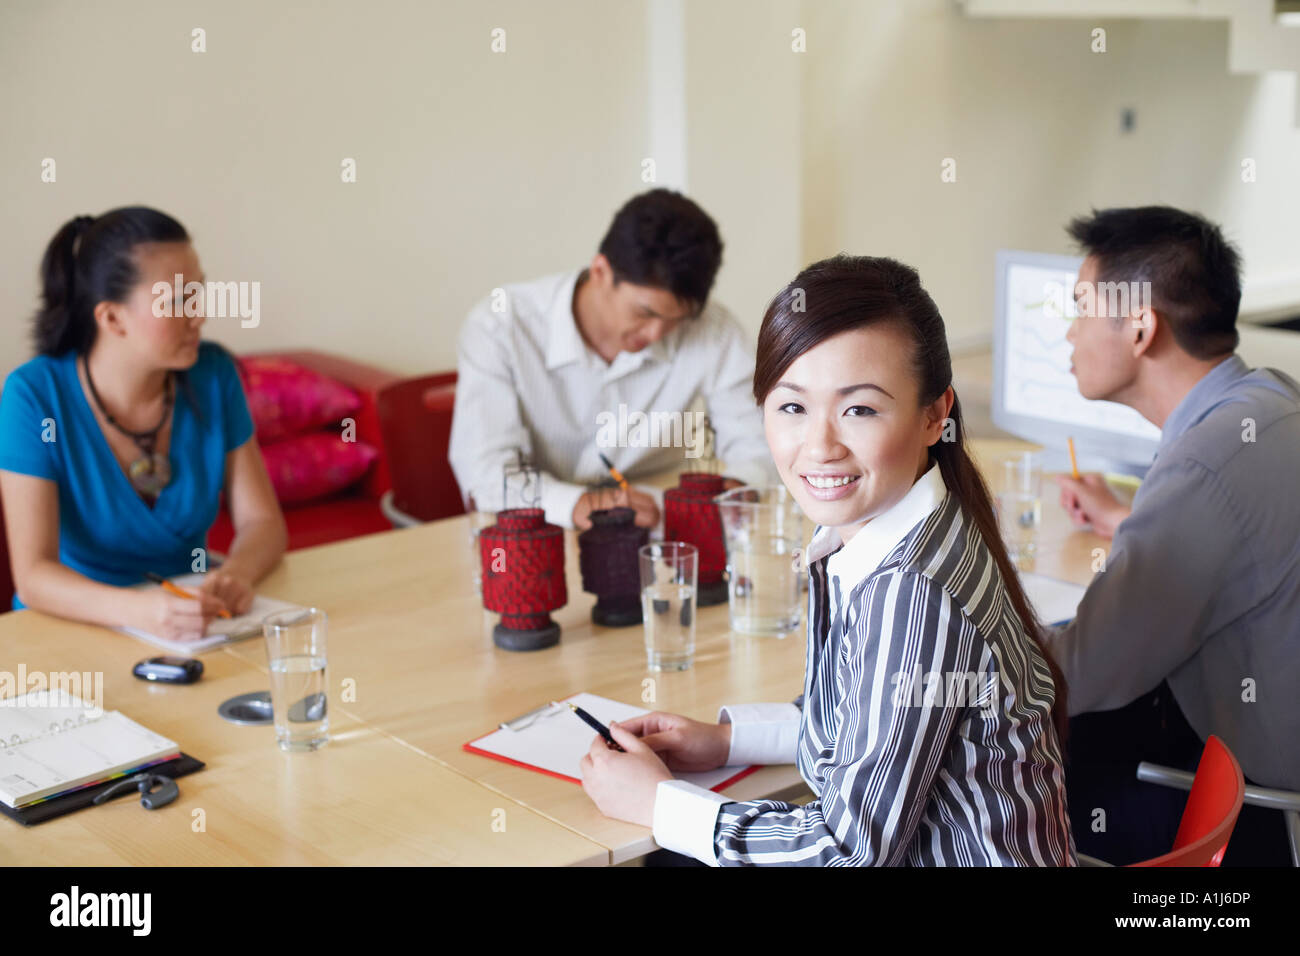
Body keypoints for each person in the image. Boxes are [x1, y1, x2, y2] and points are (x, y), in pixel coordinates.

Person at [579, 255, 1075, 865]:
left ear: (933, 415)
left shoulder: (914, 592)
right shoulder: (895, 530)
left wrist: (660, 805)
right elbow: (866, 721)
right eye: (792, 407)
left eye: (859, 410)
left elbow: (847, 851)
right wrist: (727, 741)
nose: (819, 446)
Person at [1045, 205, 1300, 866]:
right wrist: (1127, 522)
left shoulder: (1198, 468)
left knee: (1001, 773)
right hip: (1255, 744)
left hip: (1259, 816)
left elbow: (1079, 674)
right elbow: (1239, 542)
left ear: (1139, 327)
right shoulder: (1268, 400)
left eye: (1079, 307)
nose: (1068, 334)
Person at [0, 207, 286, 640]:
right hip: (67, 630)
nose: (198, 316)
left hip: (190, 625)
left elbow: (262, 523)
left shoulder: (214, 375)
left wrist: (236, 576)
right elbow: (34, 574)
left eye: (199, 293)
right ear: (112, 318)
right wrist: (137, 610)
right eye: (176, 302)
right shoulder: (33, 396)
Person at [447, 189, 776, 531]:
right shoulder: (500, 327)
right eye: (644, 312)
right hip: (535, 531)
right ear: (600, 270)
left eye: (677, 321)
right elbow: (484, 470)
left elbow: (760, 440)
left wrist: (739, 486)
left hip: (656, 528)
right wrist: (579, 504)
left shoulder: (712, 329)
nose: (656, 334)